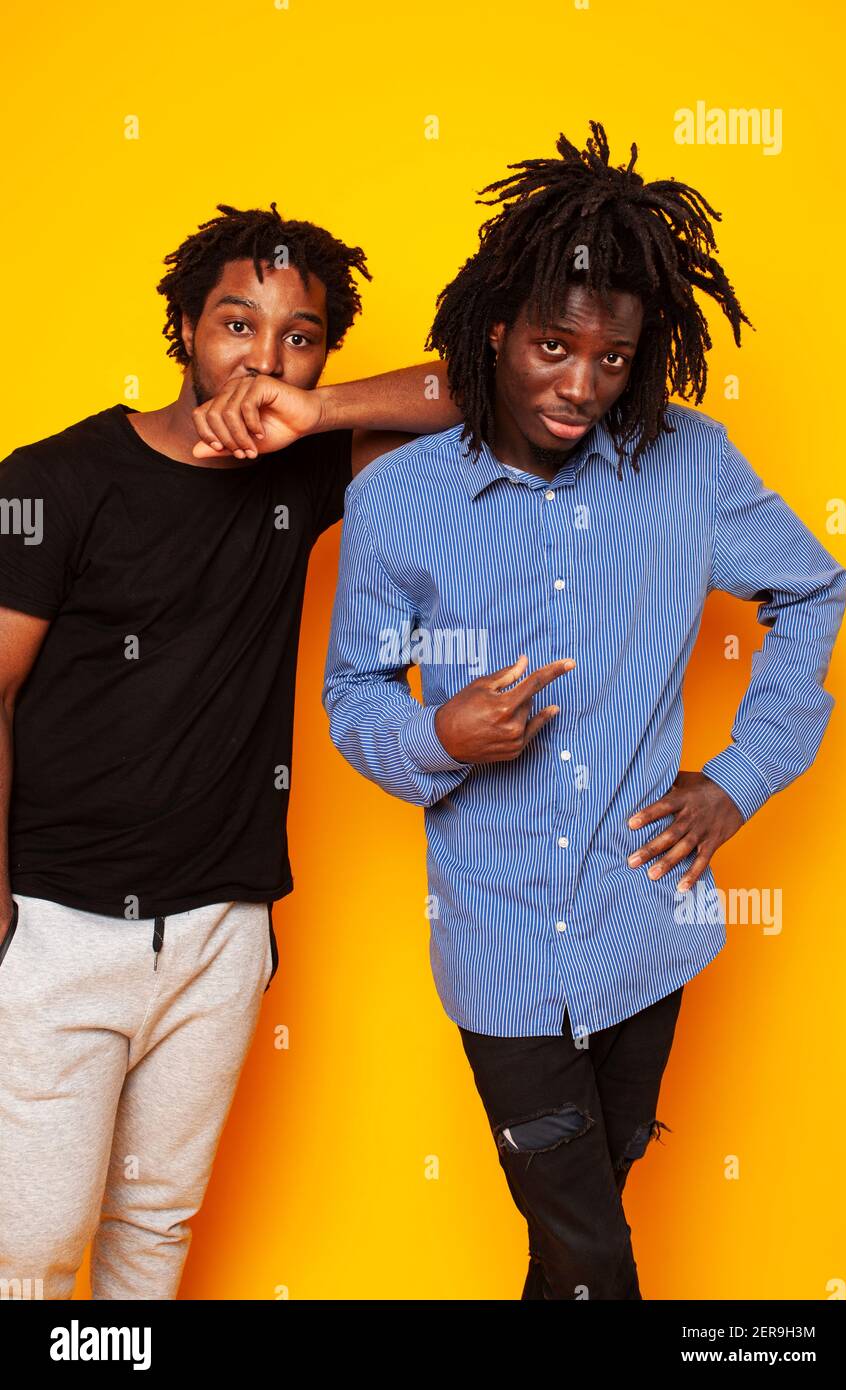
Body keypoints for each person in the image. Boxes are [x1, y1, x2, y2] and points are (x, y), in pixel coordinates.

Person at [321, 124, 846, 1299]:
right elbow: (351, 691)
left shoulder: (688, 465)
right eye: (552, 347)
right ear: (494, 331)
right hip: (498, 946)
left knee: (567, 1248)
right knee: (595, 1256)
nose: (578, 385)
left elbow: (812, 585)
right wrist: (434, 738)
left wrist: (740, 773)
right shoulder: (397, 497)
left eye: (610, 361)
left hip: (638, 931)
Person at [0, 201, 460, 1300]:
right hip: (57, 923)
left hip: (221, 928)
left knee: (155, 1230)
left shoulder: (305, 471)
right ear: (185, 331)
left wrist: (314, 411)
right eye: (235, 324)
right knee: (30, 1247)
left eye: (296, 336)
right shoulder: (49, 480)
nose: (260, 356)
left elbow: (481, 391)